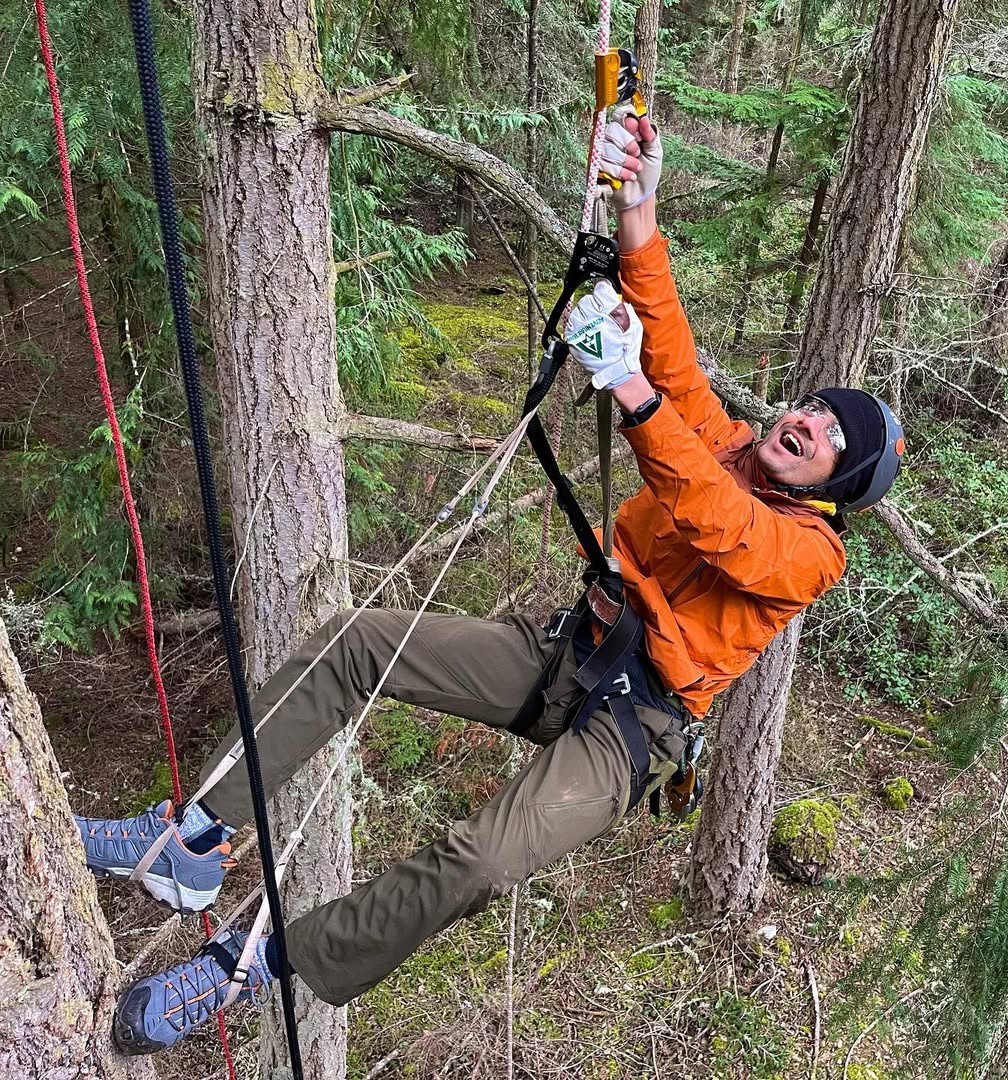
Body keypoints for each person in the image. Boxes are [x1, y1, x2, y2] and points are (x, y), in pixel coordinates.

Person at [76, 107, 904, 1055]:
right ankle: (192, 842)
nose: (810, 425)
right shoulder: (722, 437)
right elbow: (667, 335)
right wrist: (639, 208)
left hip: (637, 727)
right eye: (814, 410)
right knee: (357, 645)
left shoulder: (812, 553)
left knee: (482, 860)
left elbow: (722, 528)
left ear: (835, 489)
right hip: (565, 649)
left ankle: (250, 969)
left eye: (835, 442)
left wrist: (630, 391)